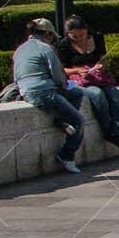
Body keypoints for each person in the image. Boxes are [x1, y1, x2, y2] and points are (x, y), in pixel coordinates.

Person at [12, 19, 88, 174]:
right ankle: (66, 156)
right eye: (52, 36)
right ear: (47, 34)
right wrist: (65, 85)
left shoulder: (19, 49)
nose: (53, 39)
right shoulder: (46, 48)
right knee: (79, 120)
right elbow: (58, 76)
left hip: (25, 91)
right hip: (45, 92)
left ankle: (62, 120)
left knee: (76, 93)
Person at [57, 15, 119, 148]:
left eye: (81, 35)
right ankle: (108, 130)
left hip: (99, 77)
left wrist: (101, 66)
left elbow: (103, 59)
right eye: (74, 37)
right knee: (97, 95)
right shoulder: (64, 45)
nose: (79, 39)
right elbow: (61, 70)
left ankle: (117, 130)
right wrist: (76, 71)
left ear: (86, 31)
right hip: (79, 80)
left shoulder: (97, 37)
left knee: (114, 94)